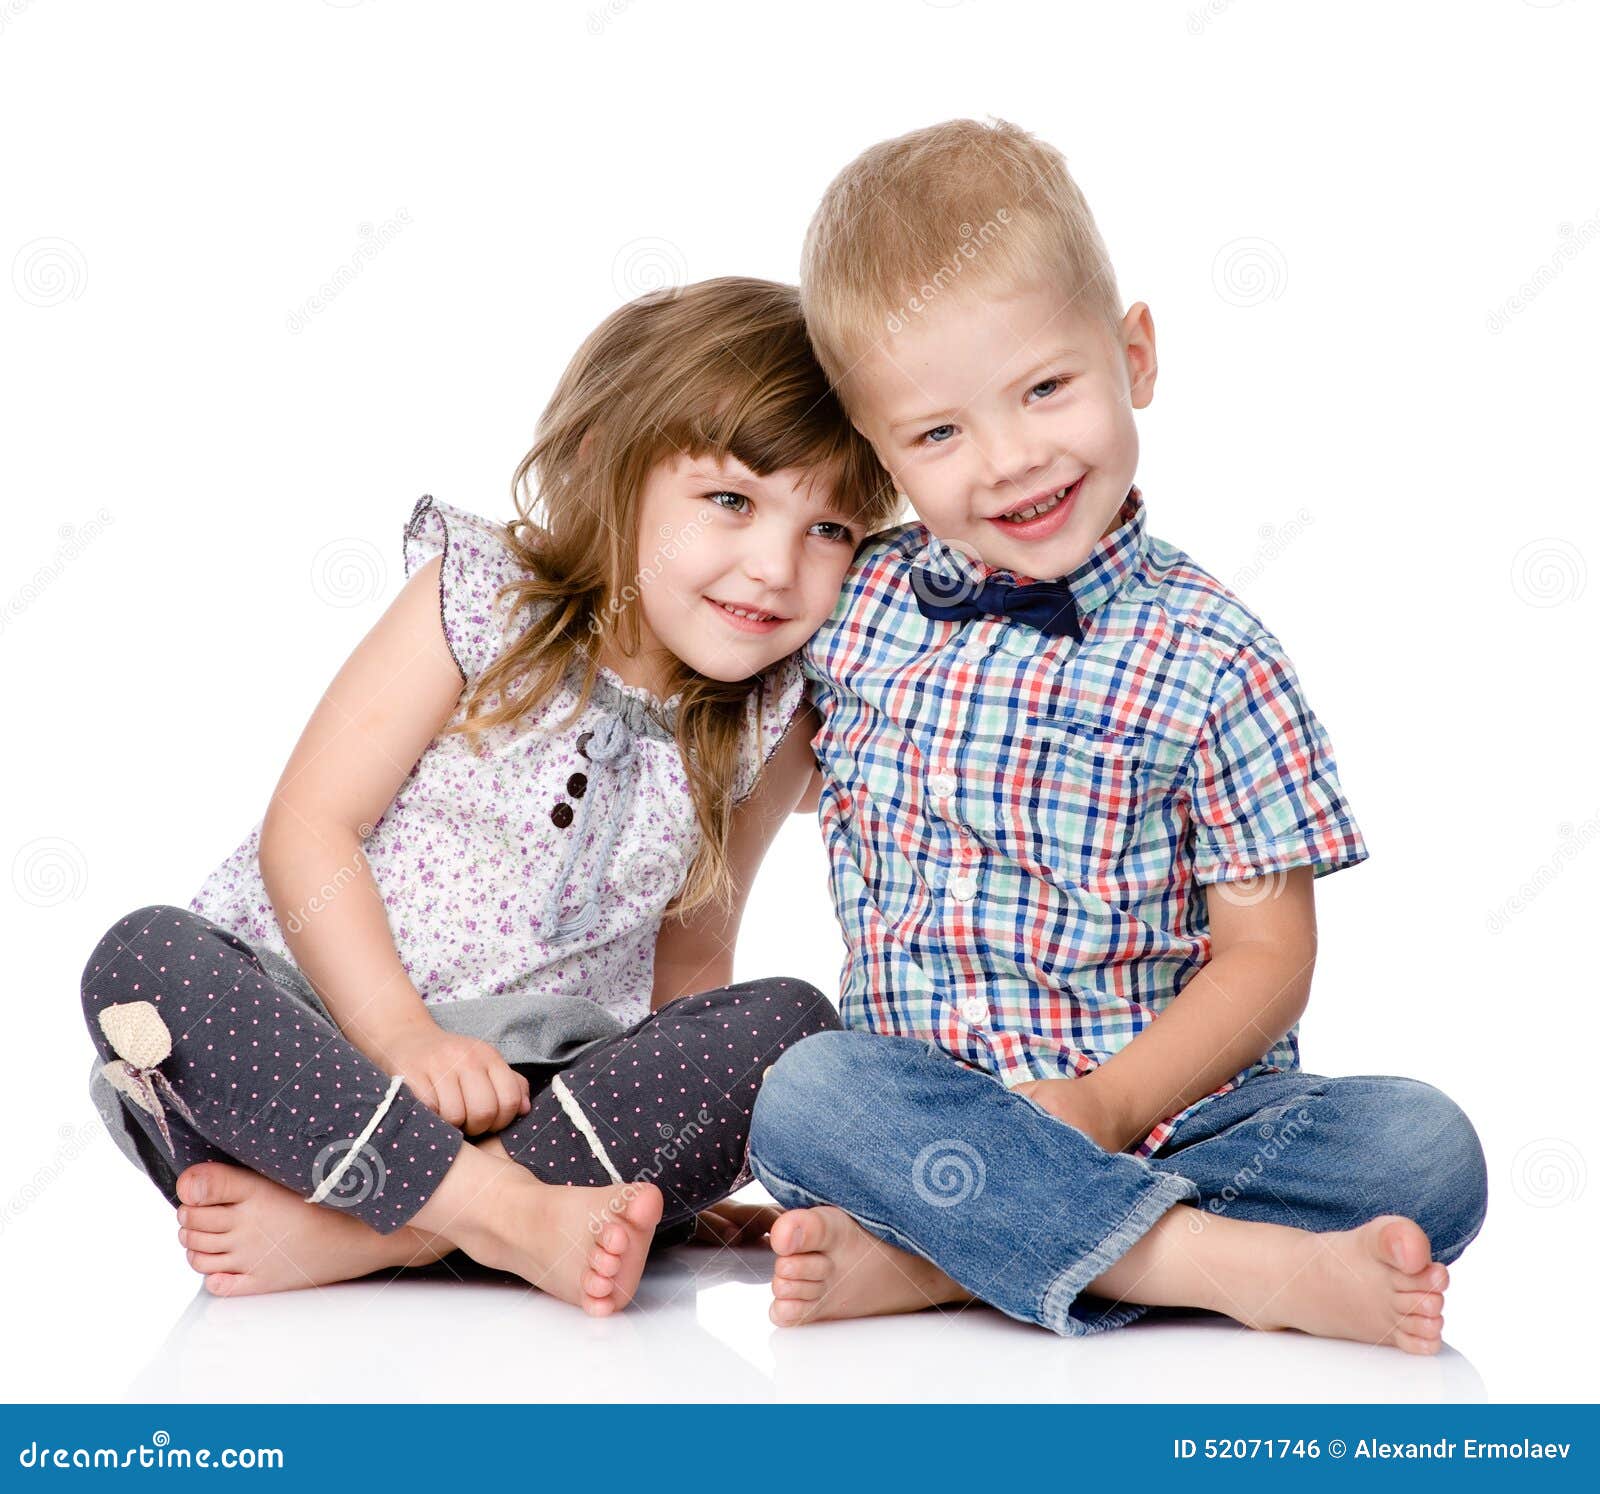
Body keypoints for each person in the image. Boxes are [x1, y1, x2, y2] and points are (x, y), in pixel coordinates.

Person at [747, 120, 1488, 1353]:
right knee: (801, 1092)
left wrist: (1103, 1104)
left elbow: (1266, 957)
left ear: (1133, 354)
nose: (1012, 458)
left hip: (1181, 1113)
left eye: (1046, 388)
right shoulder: (855, 613)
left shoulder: (1214, 655)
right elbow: (738, 804)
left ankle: (950, 1254)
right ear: (873, 453)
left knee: (1427, 1154)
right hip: (926, 1108)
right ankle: (1216, 1266)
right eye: (938, 433)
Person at [81, 276, 900, 1314]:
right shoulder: (482, 600)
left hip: (543, 1093)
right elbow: (310, 829)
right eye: (730, 500)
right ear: (611, 465)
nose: (775, 567)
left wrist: (692, 1173)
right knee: (139, 960)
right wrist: (402, 1040)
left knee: (788, 1026)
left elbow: (696, 960)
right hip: (312, 1061)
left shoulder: (757, 720)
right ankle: (487, 1215)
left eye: (829, 529)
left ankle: (391, 1232)